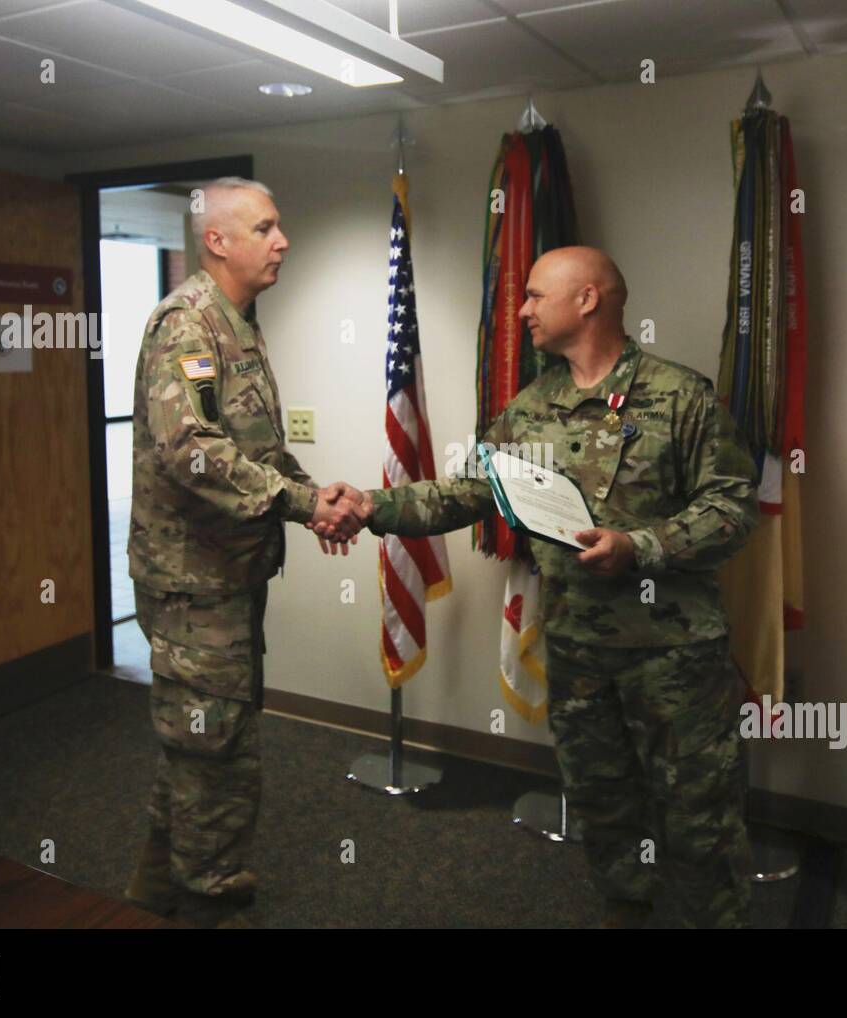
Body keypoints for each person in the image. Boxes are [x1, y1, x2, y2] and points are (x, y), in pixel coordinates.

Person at [314, 246, 760, 928]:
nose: (519, 310)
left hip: (673, 656)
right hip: (579, 649)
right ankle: (627, 911)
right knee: (602, 801)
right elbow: (467, 491)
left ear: (587, 300)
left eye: (532, 296)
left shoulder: (679, 396)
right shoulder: (529, 409)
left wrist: (639, 547)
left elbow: (731, 507)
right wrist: (373, 505)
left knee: (698, 813)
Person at [124, 176, 366, 928]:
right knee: (217, 751)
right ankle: (209, 899)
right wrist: (300, 504)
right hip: (192, 584)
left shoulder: (238, 321)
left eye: (279, 225)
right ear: (218, 240)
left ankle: (155, 893)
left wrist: (313, 495)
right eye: (264, 227)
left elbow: (253, 446)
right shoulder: (187, 325)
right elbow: (191, 452)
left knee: (198, 739)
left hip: (225, 576)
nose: (282, 239)